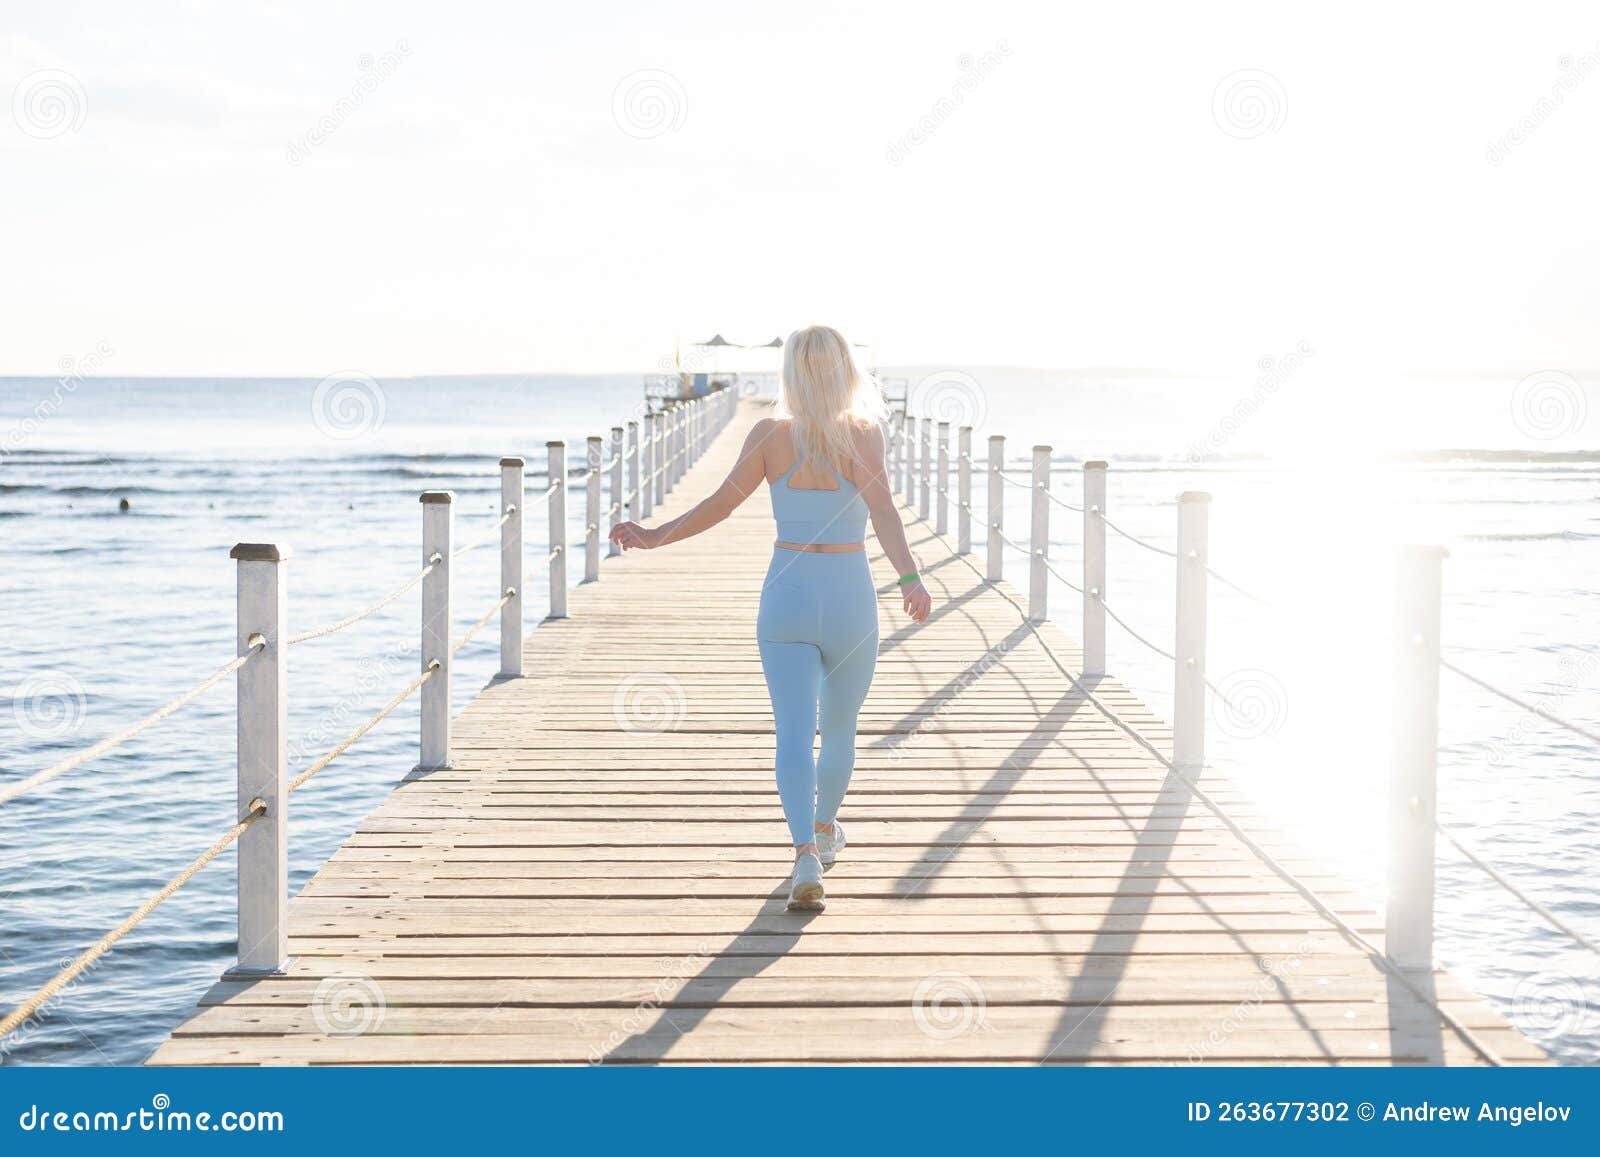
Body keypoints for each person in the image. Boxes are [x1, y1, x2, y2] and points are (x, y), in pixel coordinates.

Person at [610, 325, 932, 909]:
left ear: (790, 373)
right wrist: (910, 579)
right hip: (848, 595)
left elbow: (720, 505)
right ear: (846, 371)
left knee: (792, 733)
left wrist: (654, 536)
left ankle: (805, 851)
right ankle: (826, 829)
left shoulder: (768, 435)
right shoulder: (864, 433)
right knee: (839, 729)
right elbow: (884, 510)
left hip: (786, 595)